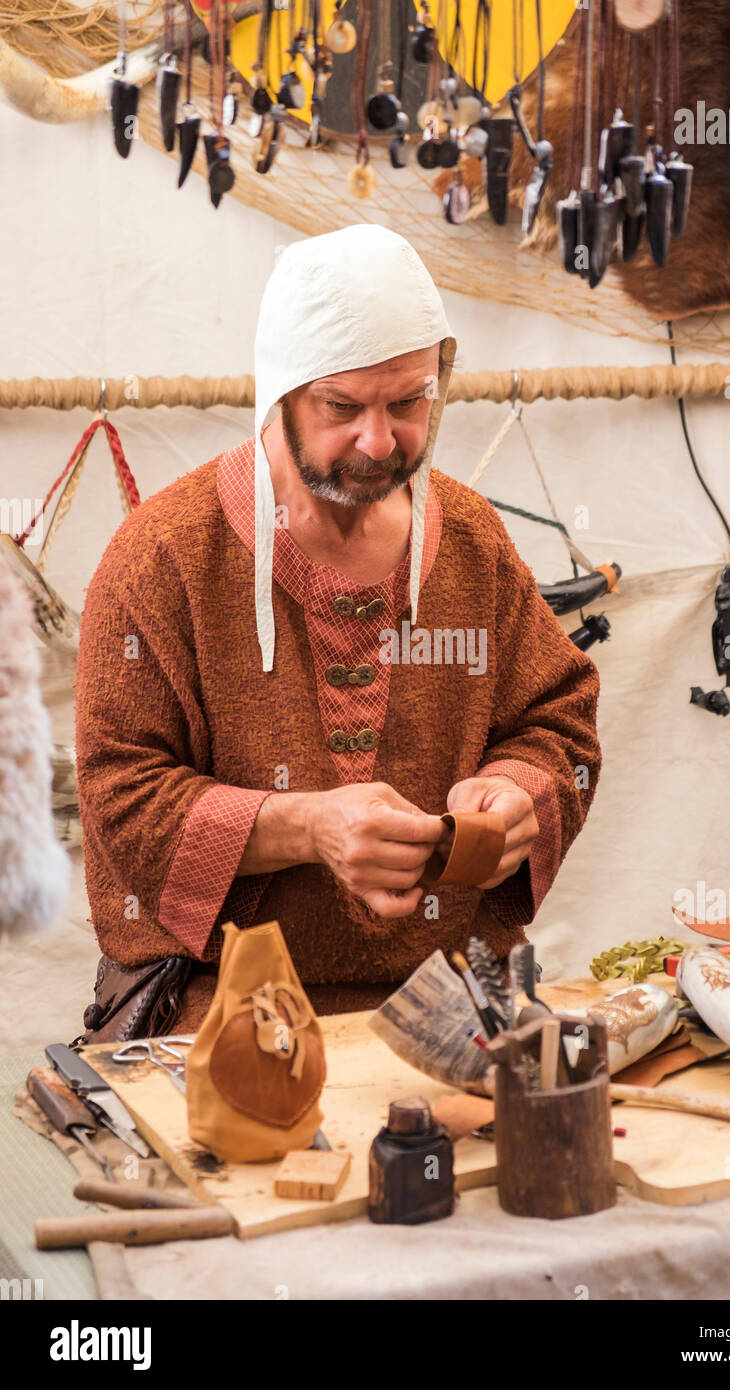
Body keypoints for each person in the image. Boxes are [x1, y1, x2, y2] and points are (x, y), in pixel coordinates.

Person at [75, 225, 601, 1035]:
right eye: (343, 407)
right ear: (279, 393)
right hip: (224, 1012)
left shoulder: (470, 538)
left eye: (409, 403)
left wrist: (521, 792)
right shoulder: (163, 556)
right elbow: (120, 800)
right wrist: (307, 826)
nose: (381, 441)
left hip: (459, 999)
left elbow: (555, 720)